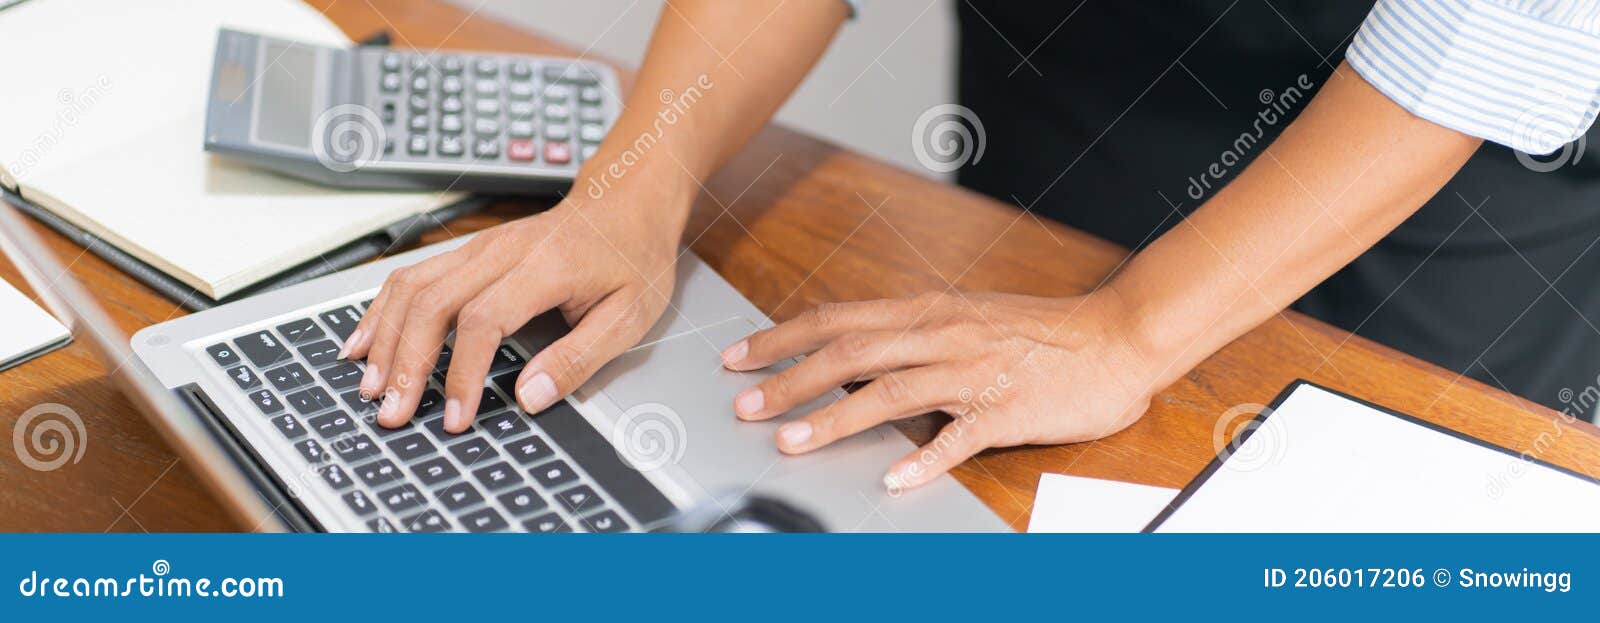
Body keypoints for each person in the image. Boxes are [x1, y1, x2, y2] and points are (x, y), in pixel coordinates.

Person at [340, 0, 1600, 491]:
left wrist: (1132, 329)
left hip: (1434, 215)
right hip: (1066, 137)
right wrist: (635, 183)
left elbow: (1482, 38)